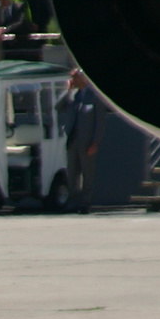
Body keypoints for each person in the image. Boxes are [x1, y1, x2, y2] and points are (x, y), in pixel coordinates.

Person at [57, 68, 106, 213]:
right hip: (72, 140)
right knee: (72, 173)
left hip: (87, 142)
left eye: (76, 77)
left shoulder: (95, 96)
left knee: (87, 173)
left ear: (84, 78)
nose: (73, 80)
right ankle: (73, 202)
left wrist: (95, 142)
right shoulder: (73, 96)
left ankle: (85, 203)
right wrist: (68, 91)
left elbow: (100, 122)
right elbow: (58, 107)